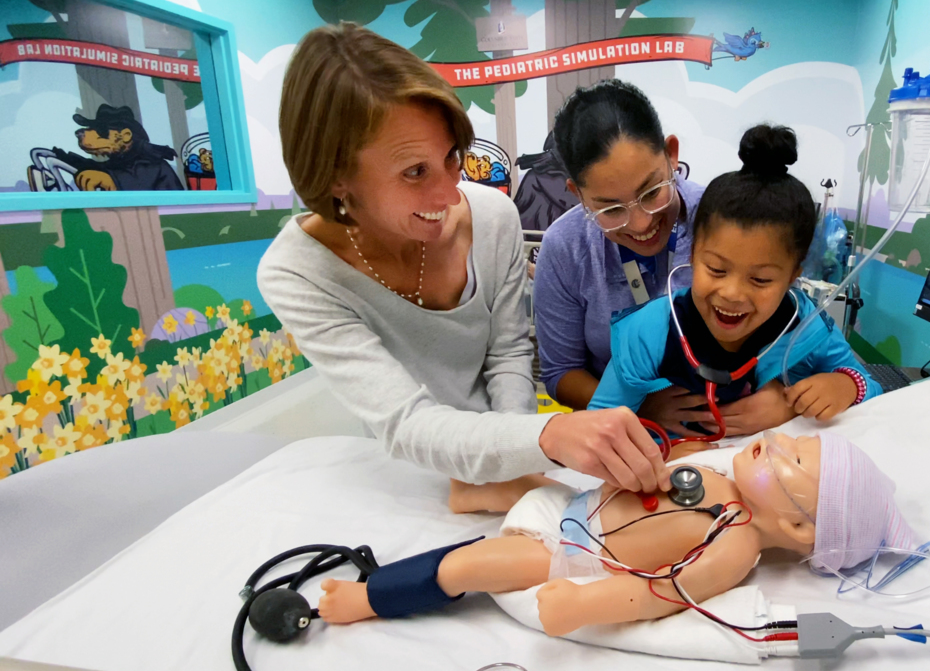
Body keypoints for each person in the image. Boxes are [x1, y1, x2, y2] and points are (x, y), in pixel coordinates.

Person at [258, 25, 668, 512]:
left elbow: (510, 353)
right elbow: (405, 423)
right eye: (415, 172)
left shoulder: (492, 217)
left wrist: (515, 461)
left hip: (516, 451)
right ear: (336, 178)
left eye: (452, 157)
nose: (451, 195)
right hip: (411, 477)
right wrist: (545, 437)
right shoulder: (297, 273)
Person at [315, 430, 917, 636]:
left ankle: (369, 598)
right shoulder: (729, 473)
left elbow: (662, 593)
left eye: (795, 461)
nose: (778, 440)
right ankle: (479, 492)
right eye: (794, 439)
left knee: (466, 566)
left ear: (794, 525)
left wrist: (583, 602)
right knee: (533, 484)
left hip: (567, 552)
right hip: (577, 500)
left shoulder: (733, 547)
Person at [587, 125, 883, 437]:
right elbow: (597, 428)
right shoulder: (650, 333)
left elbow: (872, 390)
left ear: (793, 276)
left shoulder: (805, 326)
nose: (732, 293)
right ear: (694, 254)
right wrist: (648, 420)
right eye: (715, 269)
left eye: (760, 279)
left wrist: (847, 385)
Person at [532, 80, 708, 431]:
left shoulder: (720, 218)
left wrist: (773, 400)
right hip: (621, 429)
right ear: (577, 194)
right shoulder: (566, 247)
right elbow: (561, 372)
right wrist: (637, 408)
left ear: (671, 154)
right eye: (610, 209)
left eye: (652, 191)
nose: (642, 223)